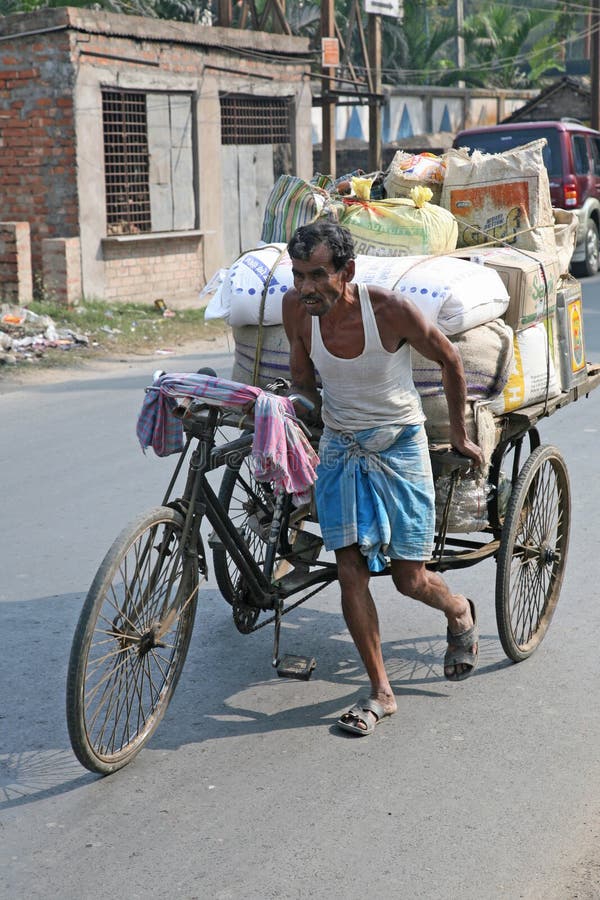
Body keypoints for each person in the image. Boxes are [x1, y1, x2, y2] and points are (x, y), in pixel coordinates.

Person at [282, 221, 485, 737]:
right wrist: (283, 415)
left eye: (317, 275)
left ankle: (459, 610)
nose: (306, 287)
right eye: (298, 274)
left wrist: (459, 434)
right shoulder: (295, 311)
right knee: (349, 566)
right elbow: (305, 382)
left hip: (399, 443)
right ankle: (381, 692)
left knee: (407, 578)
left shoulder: (387, 310)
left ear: (346, 272)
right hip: (340, 447)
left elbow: (450, 359)